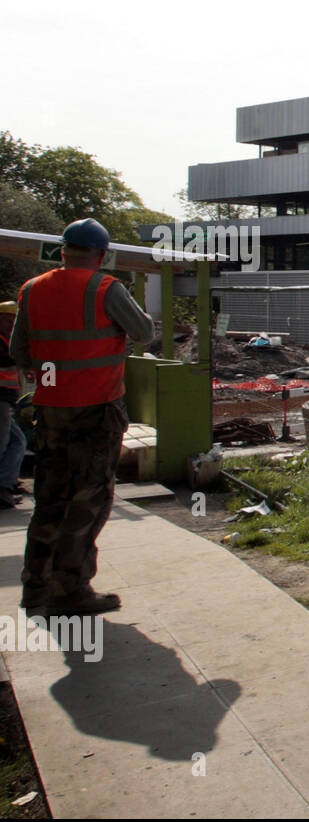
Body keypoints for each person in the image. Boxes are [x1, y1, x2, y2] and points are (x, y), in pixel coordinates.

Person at [9, 218, 154, 614]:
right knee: (88, 499)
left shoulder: (32, 289)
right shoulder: (105, 288)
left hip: (51, 408)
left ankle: (36, 588)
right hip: (95, 410)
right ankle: (70, 591)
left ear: (62, 249)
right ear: (102, 255)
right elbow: (143, 333)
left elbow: (20, 352)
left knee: (50, 498)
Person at [0, 300, 25, 508]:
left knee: (17, 442)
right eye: (7, 319)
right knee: (5, 444)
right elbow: (9, 359)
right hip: (1, 401)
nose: (11, 324)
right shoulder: (4, 344)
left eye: (13, 320)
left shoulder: (8, 341)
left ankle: (6, 484)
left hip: (7, 402)